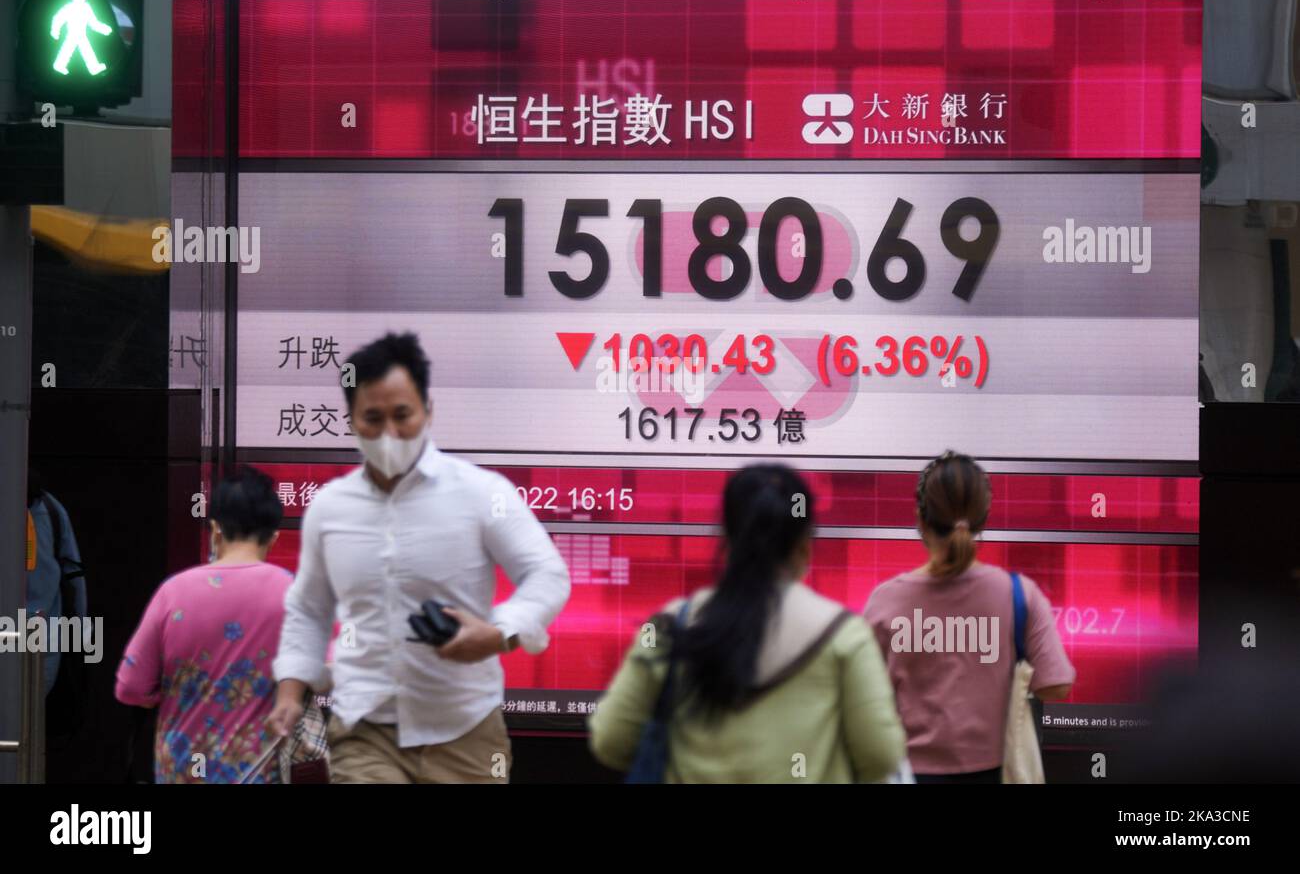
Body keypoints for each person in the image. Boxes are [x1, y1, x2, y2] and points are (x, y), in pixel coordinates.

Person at [268, 332, 570, 784]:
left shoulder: (482, 493)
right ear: (350, 419)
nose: (390, 433)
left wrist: (496, 633)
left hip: (466, 733)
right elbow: (308, 609)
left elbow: (546, 574)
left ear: (429, 411)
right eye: (372, 418)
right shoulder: (330, 509)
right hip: (363, 729)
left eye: (403, 415)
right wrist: (290, 690)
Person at [589, 464, 905, 783]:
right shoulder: (846, 635)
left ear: (726, 538)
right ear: (805, 544)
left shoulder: (665, 627)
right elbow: (881, 756)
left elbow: (610, 740)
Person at [863, 451, 1075, 783]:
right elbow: (1056, 684)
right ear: (982, 519)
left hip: (907, 774)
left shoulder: (885, 600)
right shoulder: (1019, 594)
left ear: (921, 520)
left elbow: (864, 697)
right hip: (995, 772)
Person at [115, 467, 291, 783]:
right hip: (260, 770)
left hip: (183, 770)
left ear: (215, 529)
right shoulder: (291, 593)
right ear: (274, 537)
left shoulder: (174, 592)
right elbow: (331, 668)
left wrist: (168, 694)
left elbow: (130, 686)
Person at [25, 467, 86, 699]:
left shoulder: (50, 511)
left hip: (39, 634)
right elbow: (74, 573)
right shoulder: (51, 510)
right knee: (28, 712)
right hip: (44, 634)